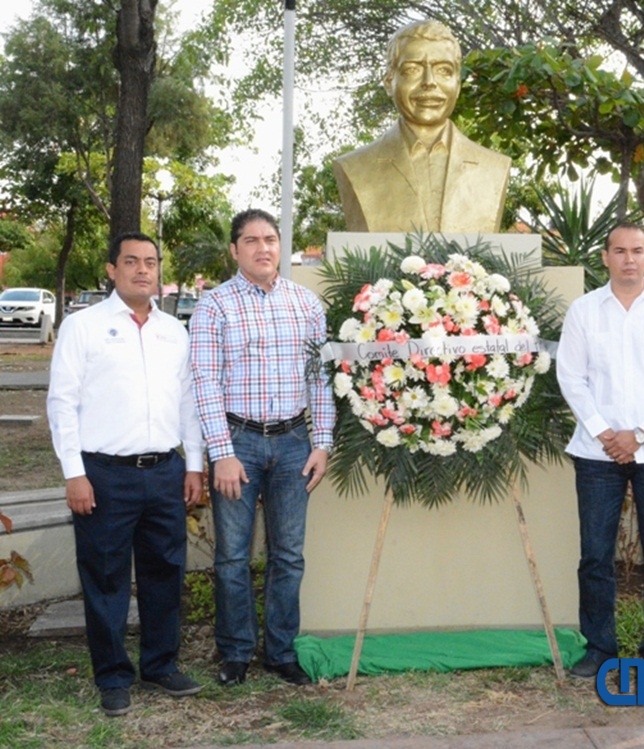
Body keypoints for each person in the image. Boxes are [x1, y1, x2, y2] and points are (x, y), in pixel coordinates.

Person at [47, 233, 204, 717]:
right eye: (131, 262)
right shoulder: (83, 326)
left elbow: (188, 402)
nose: (142, 270)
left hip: (164, 473)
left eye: (151, 262)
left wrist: (193, 463)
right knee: (107, 580)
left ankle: (160, 665)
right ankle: (114, 677)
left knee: (165, 574)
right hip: (103, 475)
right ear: (111, 270)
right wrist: (75, 473)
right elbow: (62, 403)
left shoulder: (175, 331)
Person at [189, 209, 336, 687]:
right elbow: (205, 382)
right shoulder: (215, 306)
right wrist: (222, 451)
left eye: (270, 238)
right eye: (250, 240)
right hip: (239, 443)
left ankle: (280, 651)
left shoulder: (307, 304)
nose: (262, 248)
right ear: (234, 250)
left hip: (295, 443)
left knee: (288, 554)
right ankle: (234, 653)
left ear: (280, 245)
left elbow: (321, 379)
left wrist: (323, 443)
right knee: (232, 556)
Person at [556, 223, 644, 687]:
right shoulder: (583, 311)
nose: (629, 259)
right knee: (595, 555)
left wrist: (639, 433)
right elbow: (571, 377)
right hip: (597, 453)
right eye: (620, 251)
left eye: (637, 251)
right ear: (606, 257)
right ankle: (599, 648)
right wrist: (604, 433)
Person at [332, 19, 511, 233]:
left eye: (444, 70)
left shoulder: (494, 167)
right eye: (412, 70)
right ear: (389, 82)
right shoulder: (355, 167)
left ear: (458, 84)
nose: (429, 82)